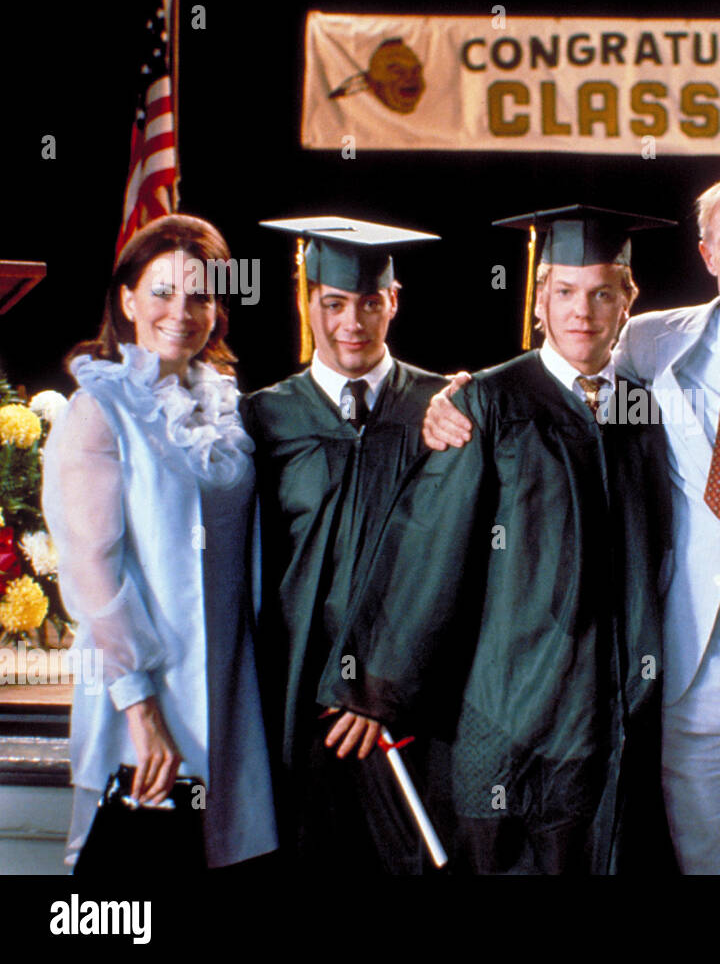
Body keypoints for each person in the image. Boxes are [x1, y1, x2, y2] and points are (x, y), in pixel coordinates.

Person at [424, 176, 720, 873]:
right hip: (681, 653)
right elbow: (563, 376)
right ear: (707, 254)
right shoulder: (648, 343)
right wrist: (457, 397)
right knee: (691, 858)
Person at [323, 206, 676, 874]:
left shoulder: (641, 407)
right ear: (540, 298)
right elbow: (431, 543)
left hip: (608, 713)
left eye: (603, 293)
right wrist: (373, 684)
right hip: (509, 707)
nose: (583, 312)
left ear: (628, 299)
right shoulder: (487, 402)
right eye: (565, 292)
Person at [43, 214, 277, 869]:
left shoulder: (223, 409)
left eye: (200, 295)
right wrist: (142, 714)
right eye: (162, 291)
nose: (182, 310)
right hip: (147, 714)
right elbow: (93, 574)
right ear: (126, 299)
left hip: (229, 703)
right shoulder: (100, 408)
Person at [242, 215, 445, 874]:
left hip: (407, 704)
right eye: (332, 304)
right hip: (293, 691)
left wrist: (390, 680)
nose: (351, 322)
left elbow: (456, 565)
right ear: (308, 305)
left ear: (394, 301)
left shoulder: (444, 409)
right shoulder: (264, 418)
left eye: (369, 302)